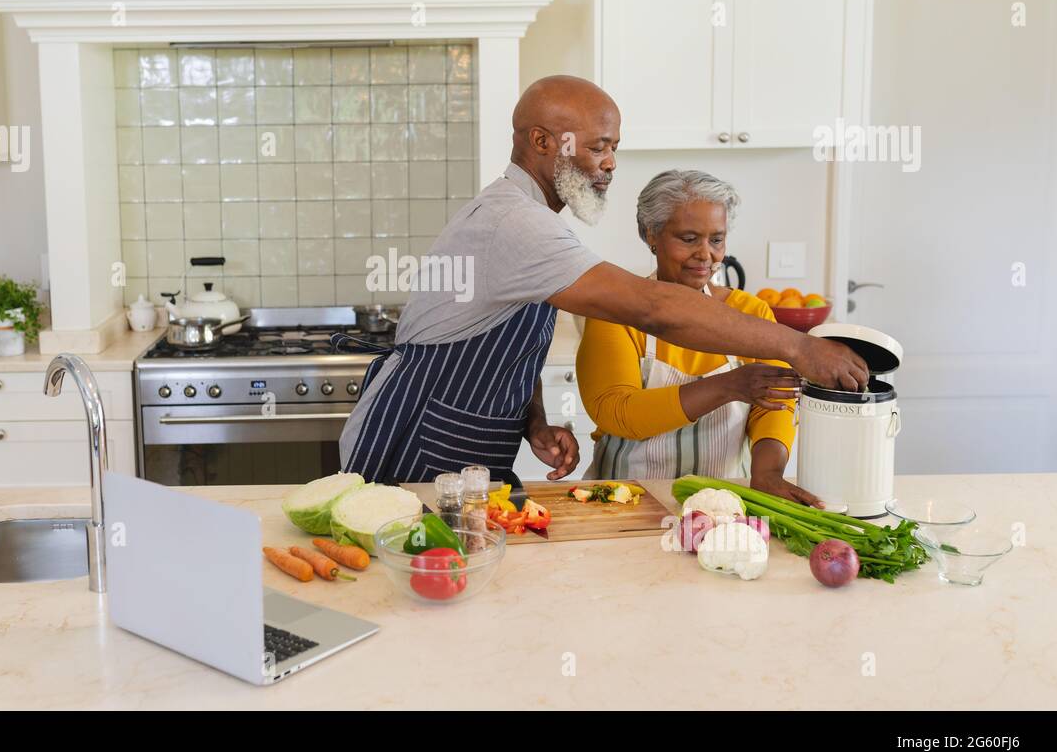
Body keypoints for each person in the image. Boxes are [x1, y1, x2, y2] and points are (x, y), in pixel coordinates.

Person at [336, 76, 867, 485]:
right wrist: (799, 347)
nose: (610, 163)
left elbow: (505, 348)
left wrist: (534, 421)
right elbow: (651, 307)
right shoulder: (515, 222)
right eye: (598, 146)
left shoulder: (533, 217)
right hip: (418, 440)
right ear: (542, 141)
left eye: (614, 147)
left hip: (466, 446)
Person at [578, 170, 820, 505]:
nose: (706, 254)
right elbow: (618, 412)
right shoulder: (616, 314)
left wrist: (768, 474)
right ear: (651, 234)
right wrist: (731, 386)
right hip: (625, 501)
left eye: (716, 240)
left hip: (724, 506)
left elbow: (774, 406)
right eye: (689, 239)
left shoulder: (750, 312)